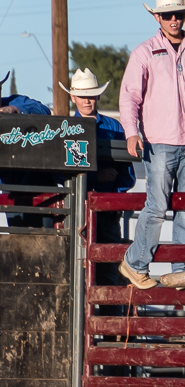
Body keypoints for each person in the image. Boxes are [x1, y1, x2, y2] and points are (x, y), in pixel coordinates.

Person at [118, 0, 185, 289]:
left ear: (183, 14)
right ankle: (135, 263)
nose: (173, 19)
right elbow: (129, 97)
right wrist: (131, 132)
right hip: (160, 140)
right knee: (157, 205)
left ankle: (181, 271)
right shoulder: (144, 52)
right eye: (167, 15)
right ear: (158, 18)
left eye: (177, 14)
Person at [62, 68, 136, 283]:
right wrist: (97, 178)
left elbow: (127, 176)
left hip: (105, 210)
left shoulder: (114, 127)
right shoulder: (67, 128)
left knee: (108, 267)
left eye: (91, 96)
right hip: (78, 209)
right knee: (76, 266)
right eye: (83, 96)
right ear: (73, 97)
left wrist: (113, 194)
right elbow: (62, 175)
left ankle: (109, 314)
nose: (87, 101)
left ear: (98, 96)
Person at [0, 71, 59, 228]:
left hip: (39, 184)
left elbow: (42, 110)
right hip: (11, 189)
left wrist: (15, 109)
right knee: (19, 242)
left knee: (48, 239)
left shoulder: (15, 101)